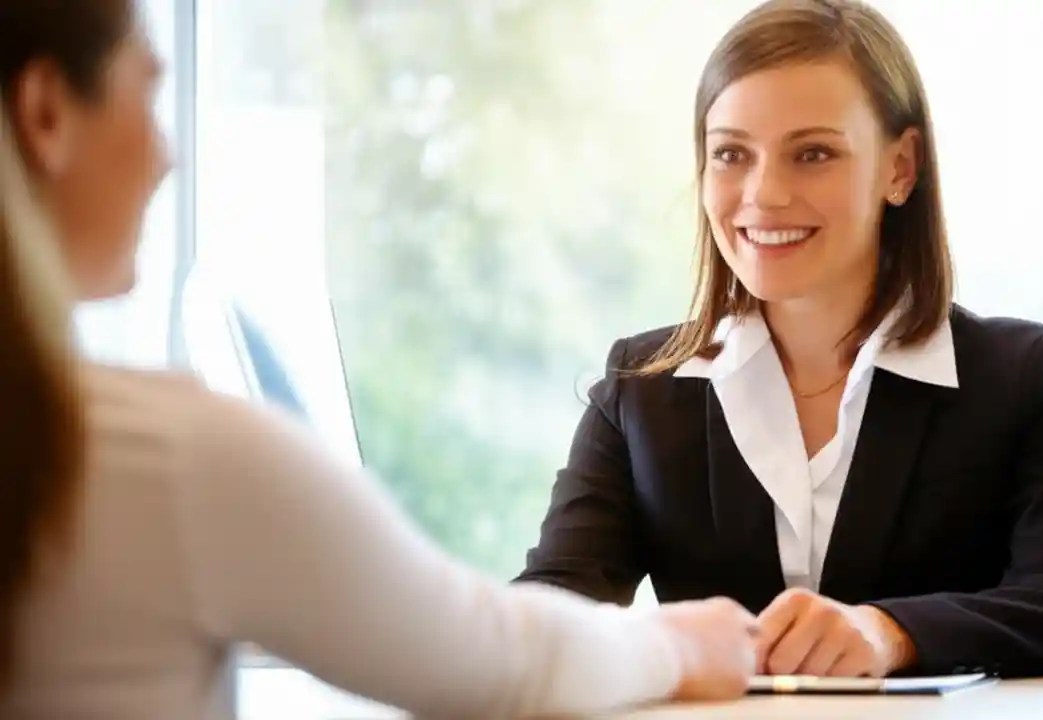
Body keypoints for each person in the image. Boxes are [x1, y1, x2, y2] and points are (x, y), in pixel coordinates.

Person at [0, 2, 759, 717]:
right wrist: (683, 645)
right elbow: (488, 660)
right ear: (46, 114)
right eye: (147, 91)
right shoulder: (169, 457)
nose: (167, 158)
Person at [518, 0, 1043, 680]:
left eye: (813, 154)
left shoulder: (1023, 379)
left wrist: (890, 633)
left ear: (900, 168)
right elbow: (551, 609)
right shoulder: (640, 391)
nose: (764, 194)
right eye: (731, 154)